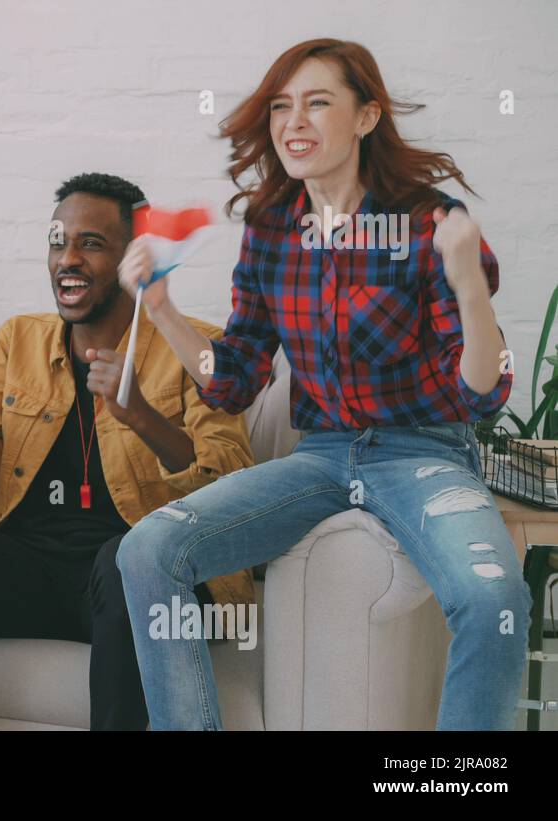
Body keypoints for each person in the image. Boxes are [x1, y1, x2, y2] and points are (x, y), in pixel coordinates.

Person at [115, 39, 531, 731]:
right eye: (281, 107)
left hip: (422, 450)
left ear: (367, 117)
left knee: (494, 600)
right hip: (322, 453)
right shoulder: (272, 230)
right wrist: (161, 311)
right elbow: (235, 379)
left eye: (317, 103)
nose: (292, 123)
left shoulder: (430, 219)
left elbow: (482, 393)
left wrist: (469, 288)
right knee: (149, 548)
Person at [0, 173, 256, 730]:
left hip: (150, 584)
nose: (67, 259)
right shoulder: (19, 340)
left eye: (91, 244)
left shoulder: (195, 348)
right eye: (58, 242)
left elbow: (232, 487)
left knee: (124, 555)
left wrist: (142, 417)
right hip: (33, 573)